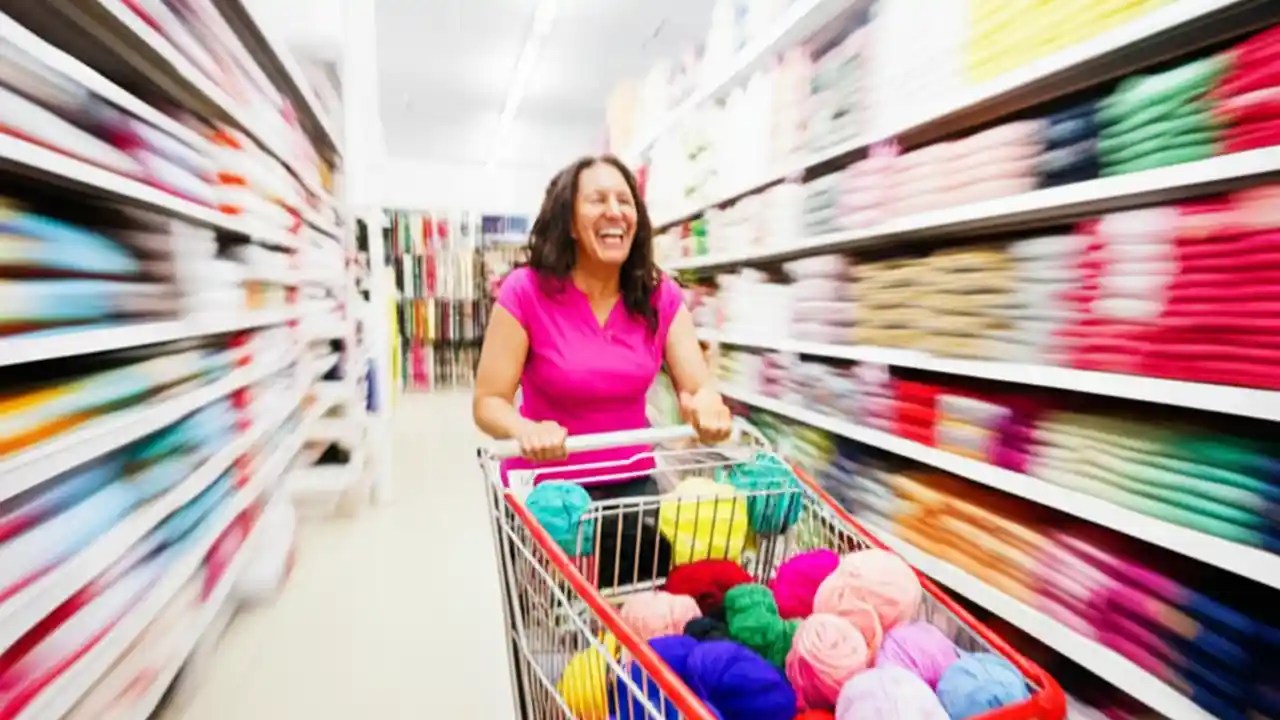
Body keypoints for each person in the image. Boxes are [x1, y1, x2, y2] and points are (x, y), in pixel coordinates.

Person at [473, 154, 733, 582]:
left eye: (624, 201)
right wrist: (525, 430)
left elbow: (698, 386)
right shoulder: (526, 292)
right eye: (597, 200)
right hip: (550, 497)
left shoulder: (658, 294)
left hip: (631, 493)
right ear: (570, 222)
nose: (615, 211)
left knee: (632, 623)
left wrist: (707, 405)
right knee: (555, 632)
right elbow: (488, 401)